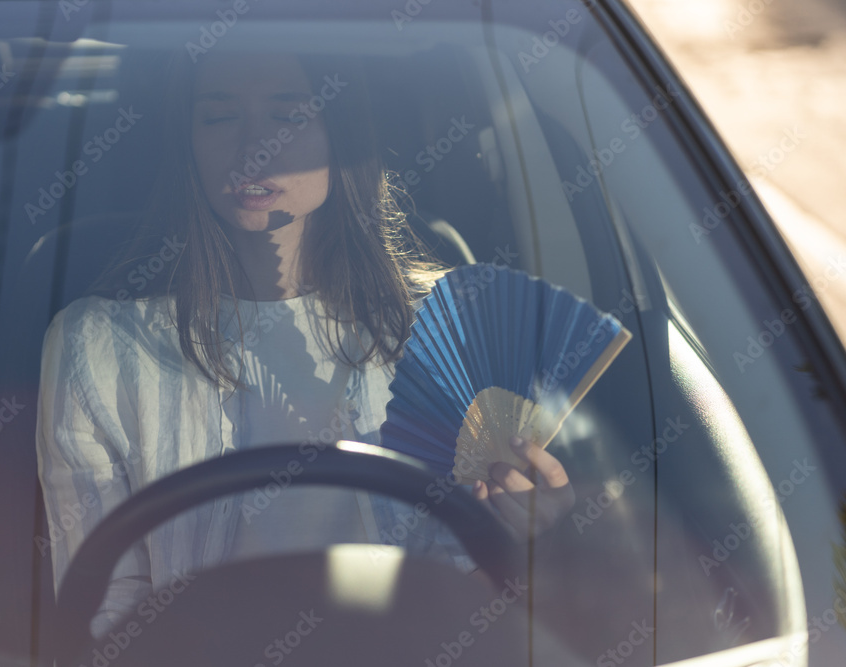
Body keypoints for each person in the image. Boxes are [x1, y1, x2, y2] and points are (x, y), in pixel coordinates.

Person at [35, 48, 575, 640]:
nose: (253, 148)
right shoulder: (98, 347)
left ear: (342, 133)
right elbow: (104, 613)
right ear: (186, 143)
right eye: (218, 118)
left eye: (288, 115)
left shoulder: (456, 328)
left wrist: (525, 540)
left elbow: (480, 602)